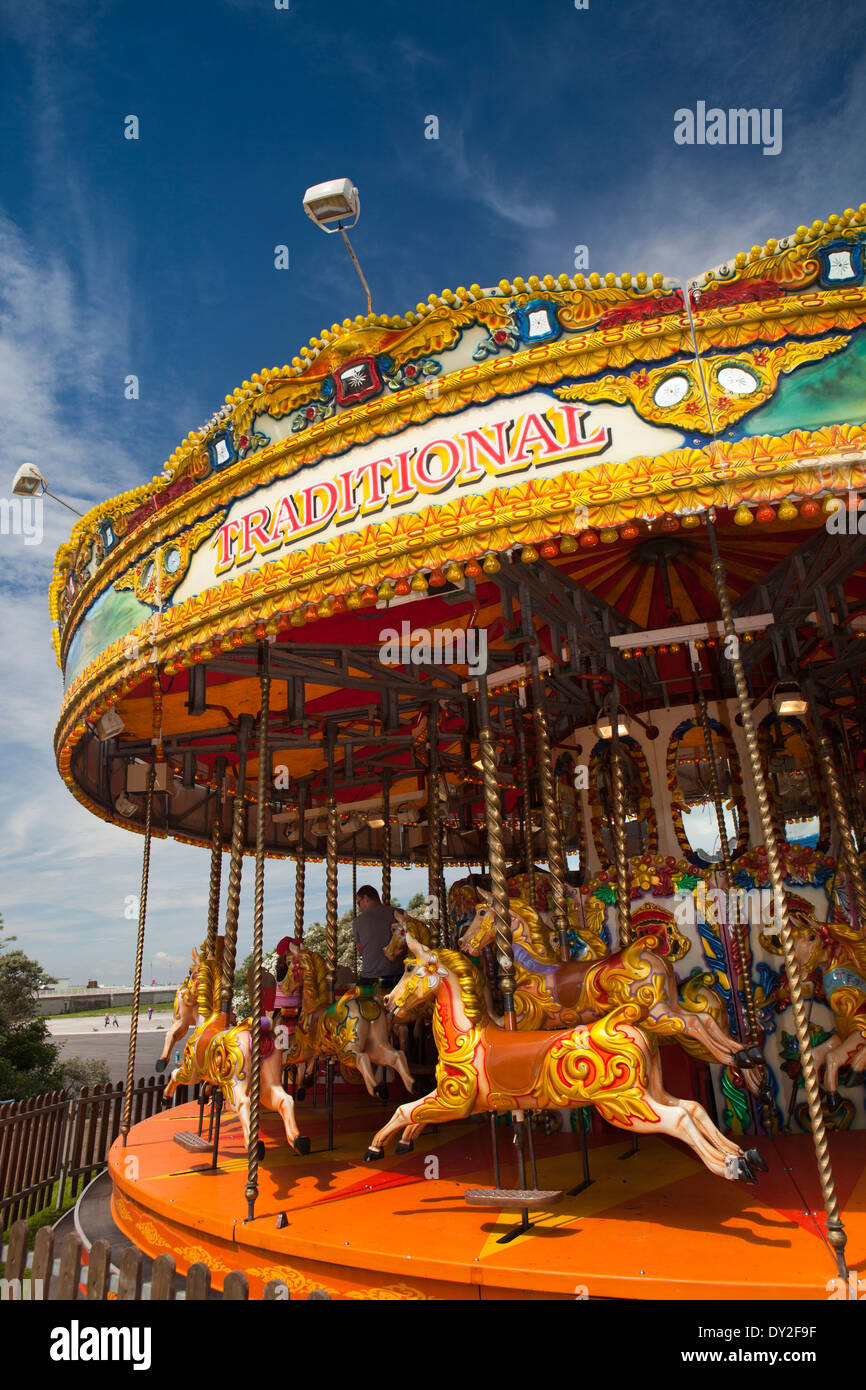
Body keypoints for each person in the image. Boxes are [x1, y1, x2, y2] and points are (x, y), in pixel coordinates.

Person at [352, 886, 400, 993]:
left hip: (372, 979)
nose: (359, 908)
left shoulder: (359, 921)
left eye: (359, 903)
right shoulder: (400, 914)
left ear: (366, 898)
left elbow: (361, 951)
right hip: (399, 977)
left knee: (352, 1002)